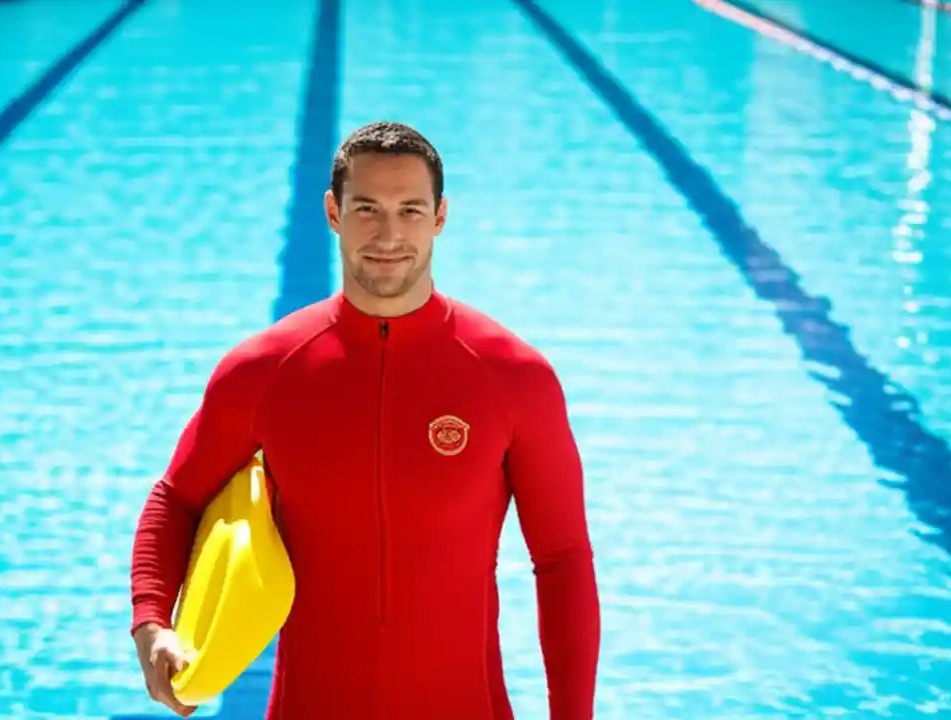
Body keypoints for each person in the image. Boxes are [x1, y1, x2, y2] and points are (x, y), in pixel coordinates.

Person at [129, 121, 600, 719]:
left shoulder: (512, 376)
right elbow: (176, 498)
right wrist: (151, 619)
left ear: (440, 217)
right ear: (333, 212)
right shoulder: (265, 371)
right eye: (367, 209)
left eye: (409, 209)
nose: (388, 234)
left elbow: (561, 560)